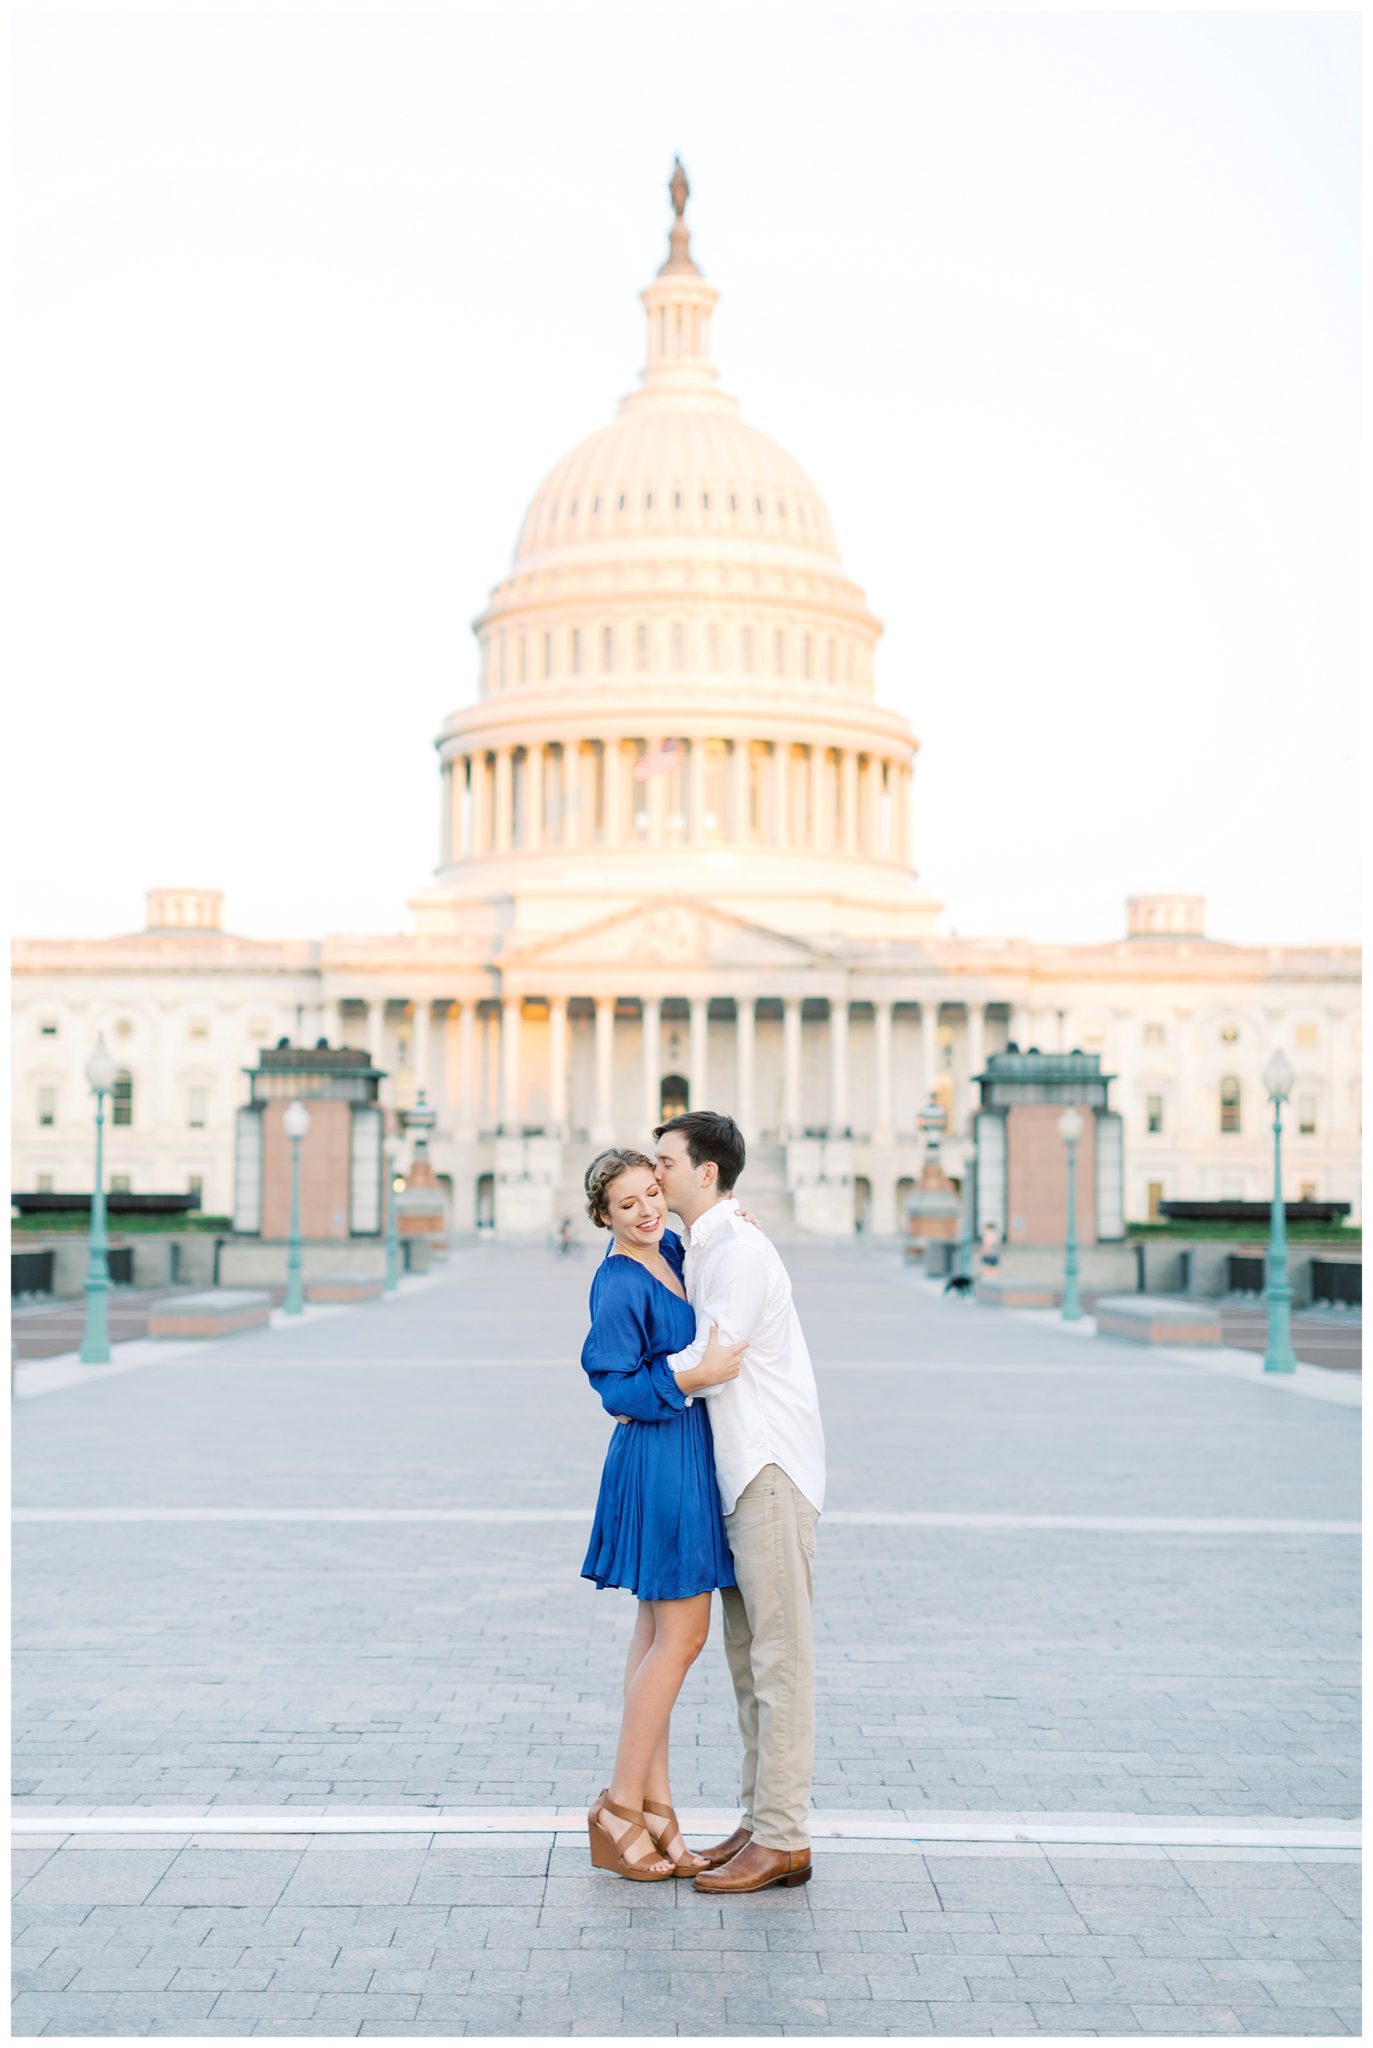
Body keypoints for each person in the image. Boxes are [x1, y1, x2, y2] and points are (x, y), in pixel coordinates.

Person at [653, 1110, 826, 1895]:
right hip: (736, 1471)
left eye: (665, 1161)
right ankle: (760, 1821)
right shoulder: (708, 1245)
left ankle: (784, 1836)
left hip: (767, 1467)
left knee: (778, 1661)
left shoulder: (737, 1251)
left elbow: (711, 1356)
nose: (655, 1173)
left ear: (706, 1173)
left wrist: (630, 1381)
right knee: (748, 1659)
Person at [579, 1147, 746, 1882]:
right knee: (683, 1636)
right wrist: (693, 1375)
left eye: (652, 1192)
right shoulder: (618, 1281)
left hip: (680, 1448)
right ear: (603, 1216)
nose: (647, 1210)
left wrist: (735, 1218)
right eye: (627, 1204)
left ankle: (656, 1808)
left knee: (654, 1637)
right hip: (658, 1456)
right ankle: (619, 1806)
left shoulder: (671, 1250)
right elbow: (613, 1386)